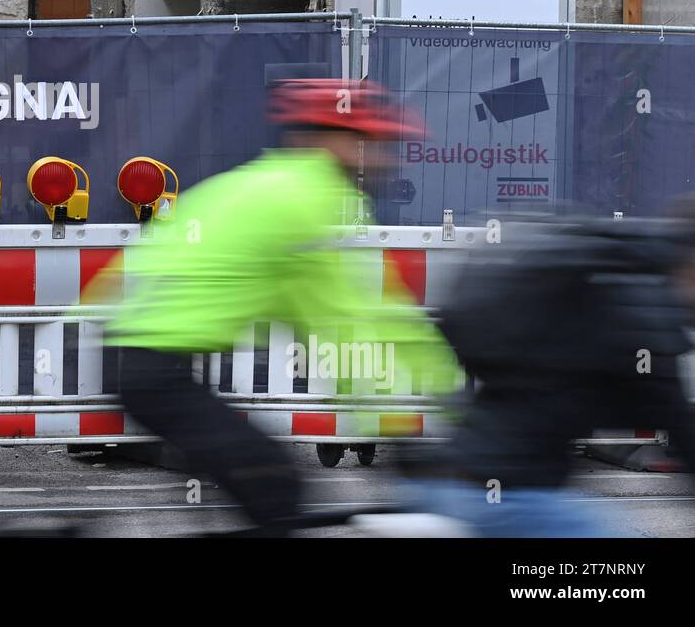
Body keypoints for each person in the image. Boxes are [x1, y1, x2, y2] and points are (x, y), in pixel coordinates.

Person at [100, 78, 461, 535]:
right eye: (373, 141)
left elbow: (326, 317)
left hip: (143, 360)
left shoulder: (266, 182)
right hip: (154, 369)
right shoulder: (308, 199)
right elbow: (352, 325)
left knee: (262, 479)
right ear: (333, 141)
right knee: (273, 482)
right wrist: (420, 421)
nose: (387, 157)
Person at [402, 210, 695, 536]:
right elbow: (682, 430)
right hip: (507, 496)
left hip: (457, 480)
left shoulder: (609, 283)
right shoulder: (648, 319)